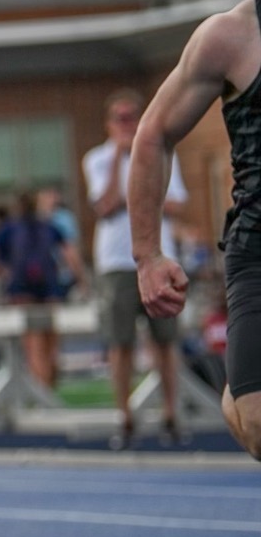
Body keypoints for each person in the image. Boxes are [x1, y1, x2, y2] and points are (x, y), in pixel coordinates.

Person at [132, 0, 261, 461]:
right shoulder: (229, 38)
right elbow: (153, 136)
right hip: (258, 248)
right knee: (257, 424)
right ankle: (244, 392)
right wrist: (149, 255)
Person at [84, 90, 189, 447]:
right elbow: (106, 204)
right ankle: (125, 416)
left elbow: (176, 204)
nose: (127, 124)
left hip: (159, 257)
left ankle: (171, 414)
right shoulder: (98, 159)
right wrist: (119, 158)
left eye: (133, 116)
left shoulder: (160, 150)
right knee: (120, 342)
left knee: (165, 341)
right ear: (109, 123)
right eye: (120, 118)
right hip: (116, 262)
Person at [0, 190, 86, 390]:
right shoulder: (49, 226)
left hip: (21, 288)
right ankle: (48, 383)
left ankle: (41, 387)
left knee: (33, 343)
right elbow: (70, 255)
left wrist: (3, 273)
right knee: (51, 341)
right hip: (49, 287)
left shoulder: (9, 228)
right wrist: (81, 281)